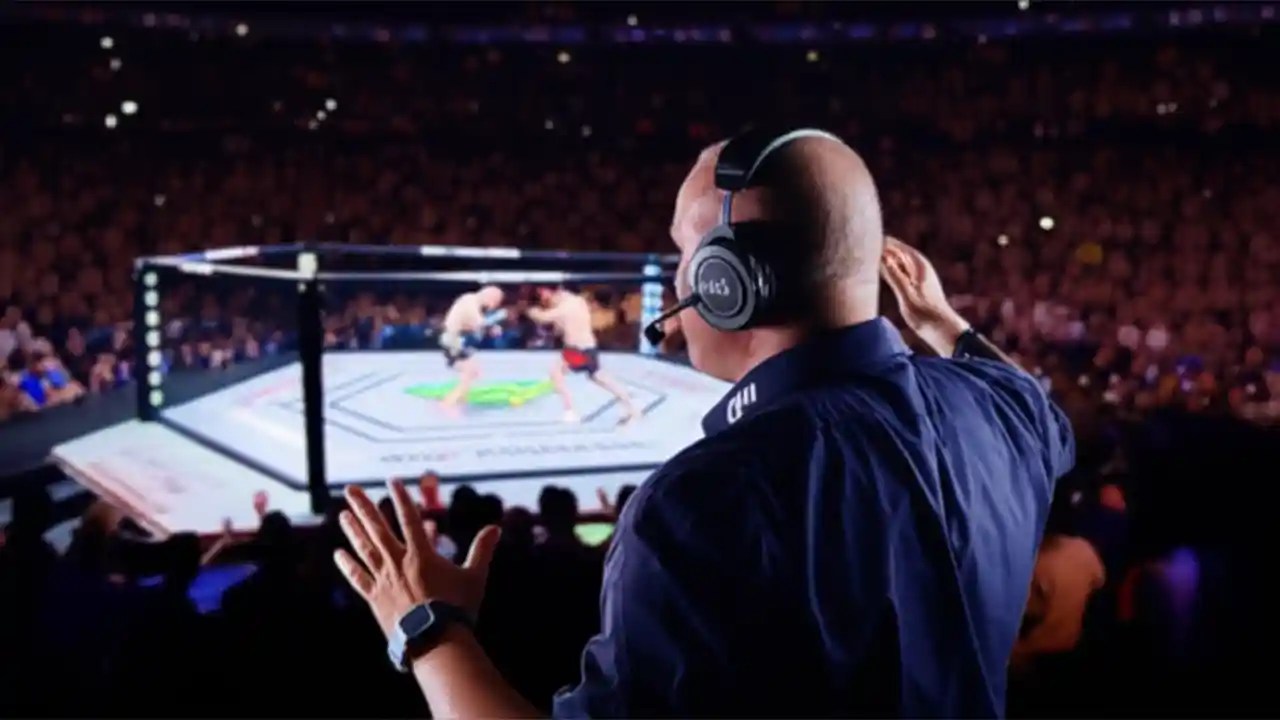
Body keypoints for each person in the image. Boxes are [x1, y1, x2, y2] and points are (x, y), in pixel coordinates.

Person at [332, 129, 1074, 717]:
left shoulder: (704, 504)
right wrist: (945, 325)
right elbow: (1030, 404)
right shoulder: (1003, 414)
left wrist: (428, 630)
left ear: (728, 283)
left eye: (688, 251)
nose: (679, 274)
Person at [524, 285, 640, 424]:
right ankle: (631, 406)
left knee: (556, 372)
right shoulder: (577, 301)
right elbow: (561, 326)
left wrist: (529, 310)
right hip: (586, 348)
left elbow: (544, 317)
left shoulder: (566, 306)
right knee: (598, 377)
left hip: (578, 350)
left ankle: (570, 411)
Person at [437, 285, 505, 409]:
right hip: (453, 340)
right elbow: (478, 323)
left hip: (458, 340)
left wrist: (493, 327)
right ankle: (448, 403)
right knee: (469, 372)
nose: (493, 306)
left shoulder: (473, 303)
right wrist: (497, 319)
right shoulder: (470, 301)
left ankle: (460, 398)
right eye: (496, 302)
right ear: (490, 298)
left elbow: (475, 325)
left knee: (473, 371)